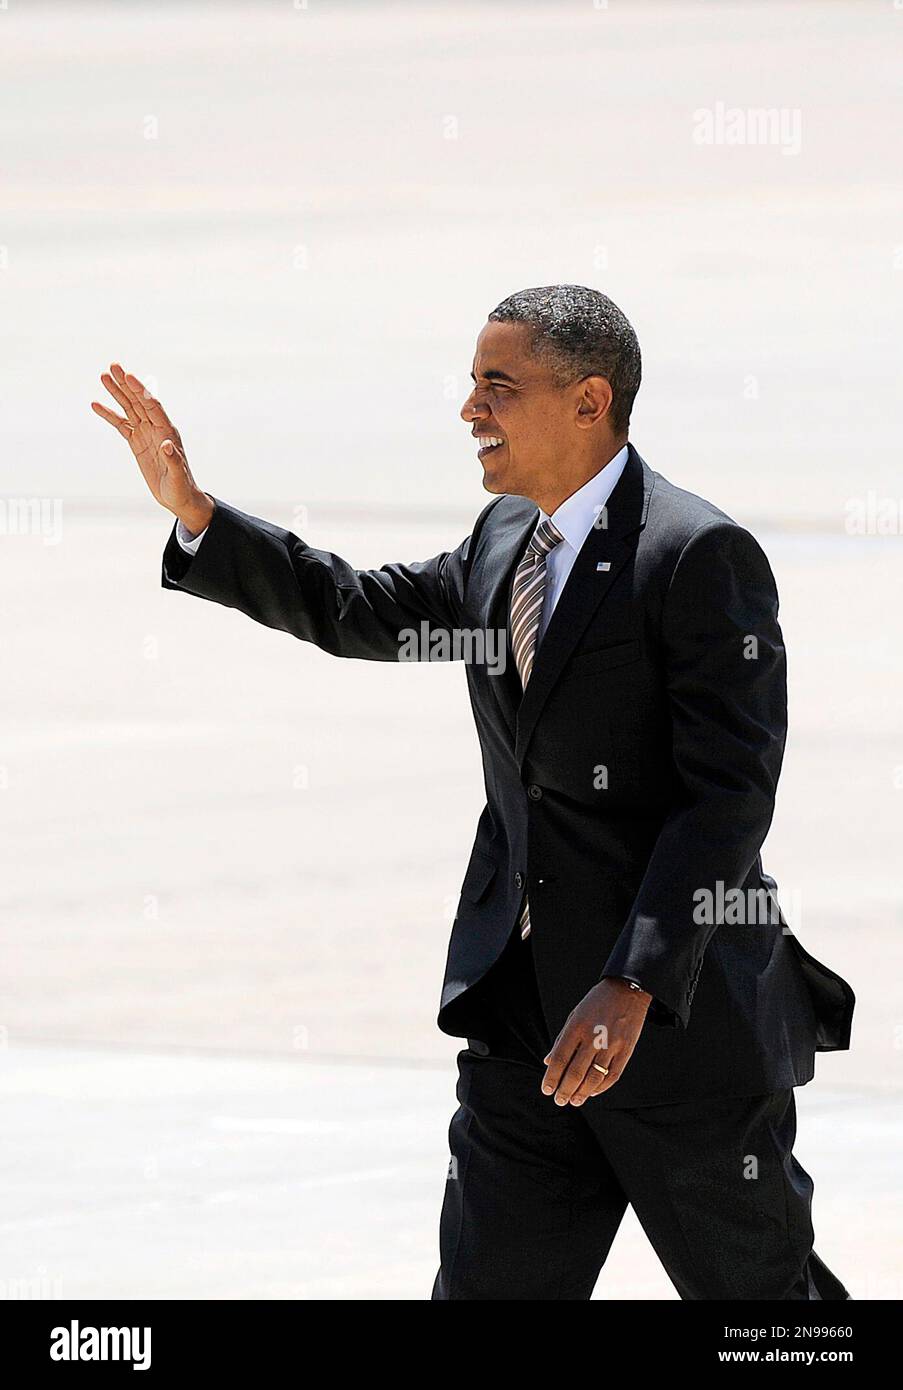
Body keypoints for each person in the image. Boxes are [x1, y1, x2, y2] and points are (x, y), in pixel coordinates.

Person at [92, 284, 854, 1300]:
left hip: (681, 1043)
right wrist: (197, 515)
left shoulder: (694, 556)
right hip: (525, 1033)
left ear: (590, 401)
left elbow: (728, 799)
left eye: (498, 385)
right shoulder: (503, 541)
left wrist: (633, 982)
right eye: (471, 383)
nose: (470, 410)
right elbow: (357, 608)